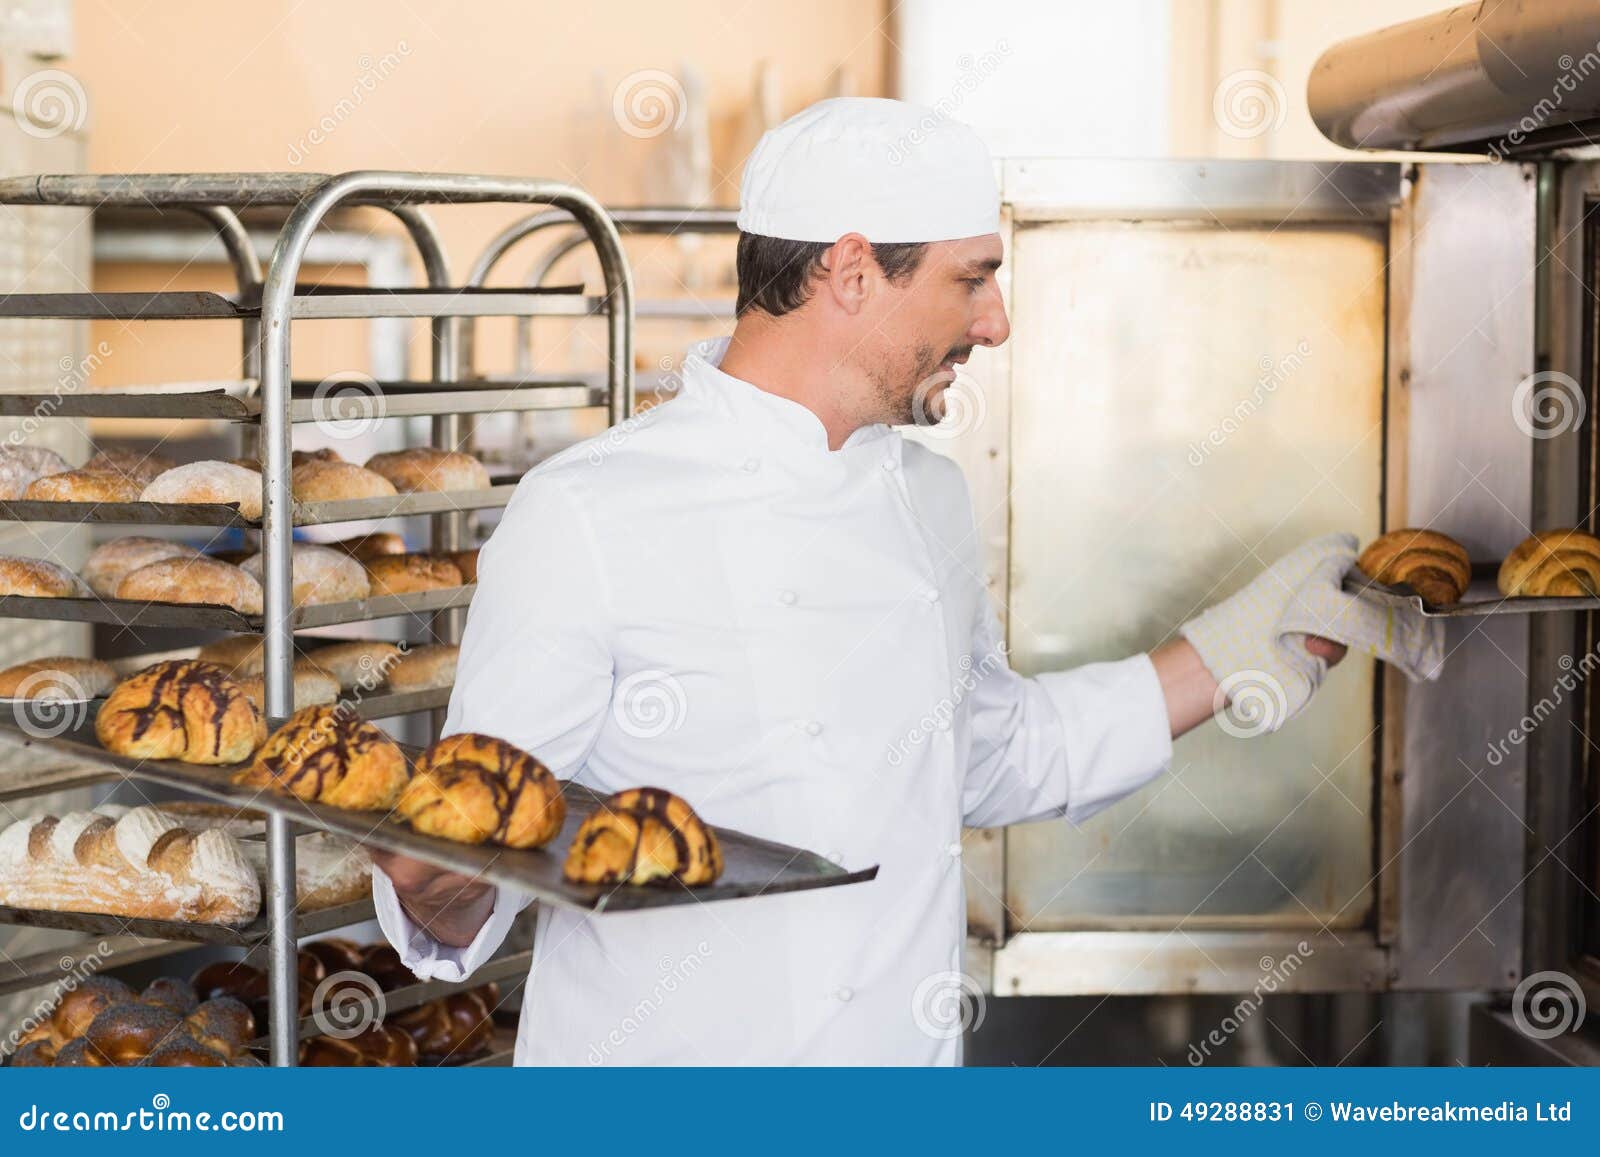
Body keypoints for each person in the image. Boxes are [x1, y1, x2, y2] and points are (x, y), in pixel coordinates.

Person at [368, 97, 1436, 1065]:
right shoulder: (589, 513)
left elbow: (982, 753)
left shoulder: (927, 495)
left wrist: (1238, 646)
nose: (996, 322)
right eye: (971, 278)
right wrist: (438, 890)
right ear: (850, 272)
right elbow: (474, 858)